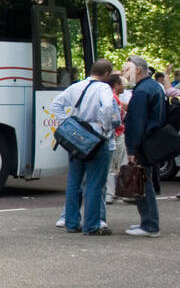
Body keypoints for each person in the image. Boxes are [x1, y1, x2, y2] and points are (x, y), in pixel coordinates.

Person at [50, 58, 118, 235]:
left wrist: (67, 125)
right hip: (95, 139)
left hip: (75, 139)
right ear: (107, 74)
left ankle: (71, 223)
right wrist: (106, 128)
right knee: (95, 183)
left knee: (74, 182)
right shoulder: (104, 88)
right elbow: (108, 108)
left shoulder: (76, 86)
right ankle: (92, 225)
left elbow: (56, 105)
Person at [122, 54, 166, 237]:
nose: (124, 73)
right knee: (145, 182)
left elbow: (136, 122)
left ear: (137, 70)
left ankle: (149, 224)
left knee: (142, 183)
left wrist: (132, 149)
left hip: (143, 143)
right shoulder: (154, 86)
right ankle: (148, 222)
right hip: (152, 141)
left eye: (126, 70)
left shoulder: (141, 91)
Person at [104, 73, 128, 205]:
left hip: (114, 134)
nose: (123, 86)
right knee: (116, 165)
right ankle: (113, 193)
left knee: (115, 165)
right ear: (116, 85)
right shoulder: (114, 99)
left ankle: (112, 192)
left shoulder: (112, 97)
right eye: (121, 83)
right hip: (117, 135)